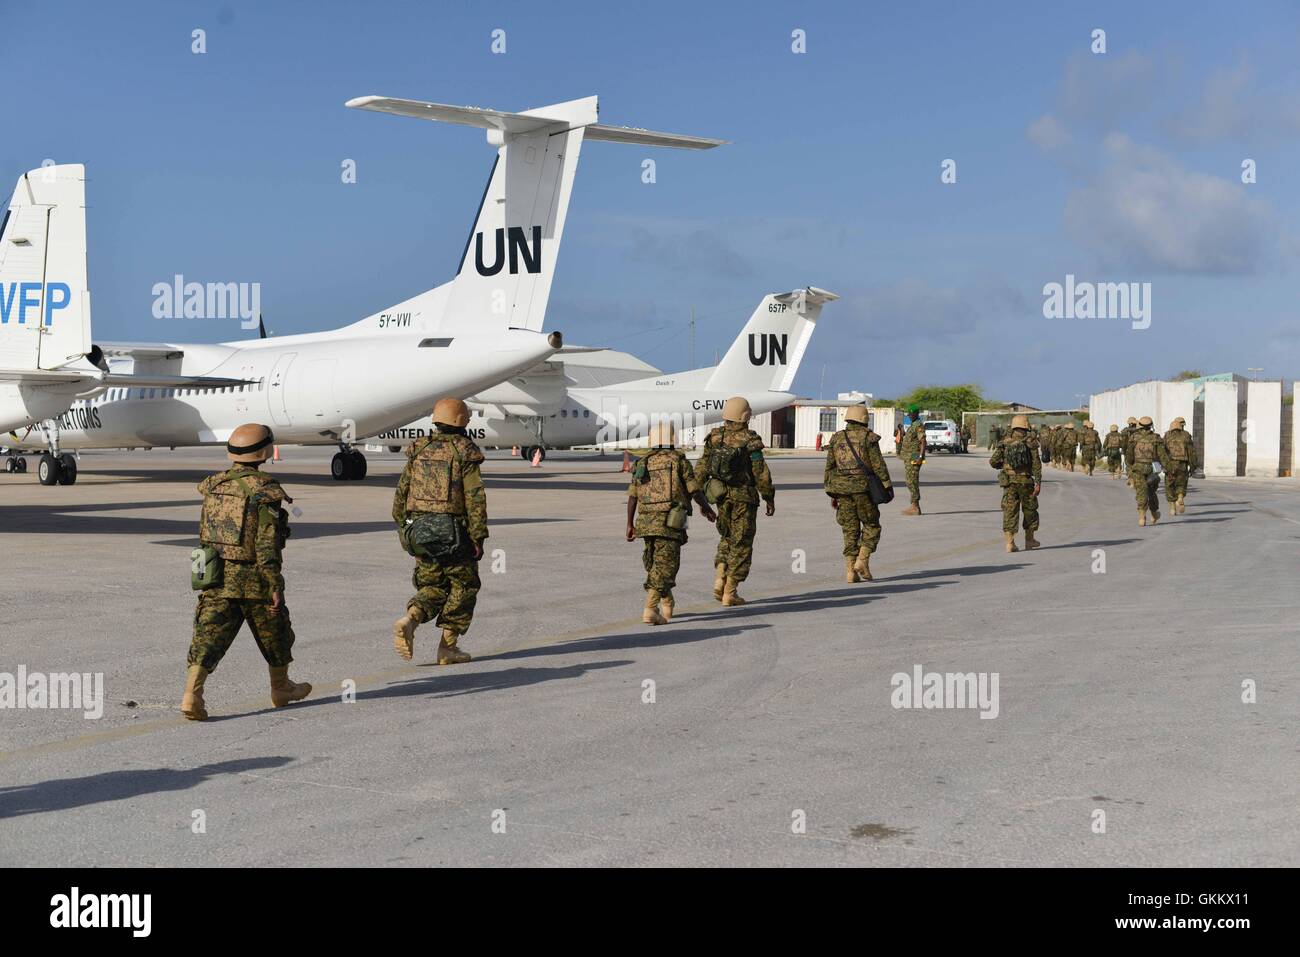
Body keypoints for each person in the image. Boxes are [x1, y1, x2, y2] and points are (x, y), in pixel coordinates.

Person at [182, 423, 310, 720]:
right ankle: (281, 688)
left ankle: (192, 695)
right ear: (265, 451)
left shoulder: (213, 484)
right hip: (254, 579)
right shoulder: (265, 490)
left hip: (215, 575)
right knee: (276, 633)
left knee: (208, 635)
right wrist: (274, 584)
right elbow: (267, 544)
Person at [392, 398, 488, 665]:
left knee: (432, 585)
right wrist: (478, 536)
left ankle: (411, 618)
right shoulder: (464, 451)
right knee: (464, 585)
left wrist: (404, 530)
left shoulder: (419, 449)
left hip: (420, 533)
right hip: (454, 534)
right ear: (462, 421)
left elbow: (401, 495)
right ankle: (448, 648)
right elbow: (475, 497)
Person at [626, 420, 716, 623]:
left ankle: (666, 602)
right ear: (672, 439)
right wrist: (706, 508)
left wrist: (630, 523)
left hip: (646, 521)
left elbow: (632, 496)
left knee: (653, 563)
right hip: (673, 519)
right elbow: (693, 489)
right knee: (667, 565)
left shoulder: (642, 463)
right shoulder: (679, 461)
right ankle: (650, 609)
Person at [694, 396, 775, 606]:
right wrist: (768, 497)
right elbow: (760, 473)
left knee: (727, 537)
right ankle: (730, 591)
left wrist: (698, 496)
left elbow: (701, 468)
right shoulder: (750, 440)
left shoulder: (714, 437)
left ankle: (720, 575)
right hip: (744, 498)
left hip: (720, 496)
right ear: (746, 416)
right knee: (742, 542)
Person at [823, 405, 893, 582]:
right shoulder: (868, 438)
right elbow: (878, 465)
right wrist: (887, 486)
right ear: (864, 419)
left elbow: (829, 468)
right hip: (864, 490)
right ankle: (862, 561)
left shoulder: (836, 438)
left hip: (842, 491)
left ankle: (850, 571)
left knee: (850, 530)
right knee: (872, 525)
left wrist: (833, 493)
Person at [989, 414, 1042, 552]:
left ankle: (1010, 543)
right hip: (1026, 483)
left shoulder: (1005, 441)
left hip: (1009, 483)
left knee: (1009, 511)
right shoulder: (1030, 441)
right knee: (1030, 510)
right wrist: (1038, 482)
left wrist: (1004, 465)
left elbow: (993, 461)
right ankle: (1029, 541)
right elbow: (1036, 463)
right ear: (1026, 426)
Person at [1128, 415, 1173, 526]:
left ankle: (1142, 517)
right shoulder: (1156, 438)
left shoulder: (1134, 438)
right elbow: (1163, 456)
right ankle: (1154, 513)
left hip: (1137, 469)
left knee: (1141, 492)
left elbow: (1129, 456)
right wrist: (1169, 469)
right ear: (1151, 426)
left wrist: (1130, 467)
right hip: (1152, 469)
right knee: (1151, 492)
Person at [1162, 416, 1199, 514]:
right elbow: (1191, 452)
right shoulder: (1186, 436)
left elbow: (1162, 451)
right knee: (1181, 484)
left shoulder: (1166, 436)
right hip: (1182, 464)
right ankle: (1180, 497)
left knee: (1169, 486)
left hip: (1170, 465)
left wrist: (1163, 464)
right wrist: (1193, 466)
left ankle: (1172, 508)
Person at [898, 404, 926, 515]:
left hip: (915, 456)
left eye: (911, 414)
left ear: (916, 414)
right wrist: (902, 433)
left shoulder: (918, 425)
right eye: (908, 414)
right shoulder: (913, 425)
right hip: (910, 456)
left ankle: (915, 506)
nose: (909, 416)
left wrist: (920, 456)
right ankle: (914, 505)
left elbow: (923, 441)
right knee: (910, 480)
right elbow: (911, 439)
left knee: (912, 480)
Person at [1120, 416, 1139, 483]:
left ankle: (1131, 478)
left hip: (1128, 450)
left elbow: (1123, 442)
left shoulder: (1125, 430)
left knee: (1129, 464)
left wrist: (1124, 450)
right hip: (1139, 451)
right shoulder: (1140, 430)